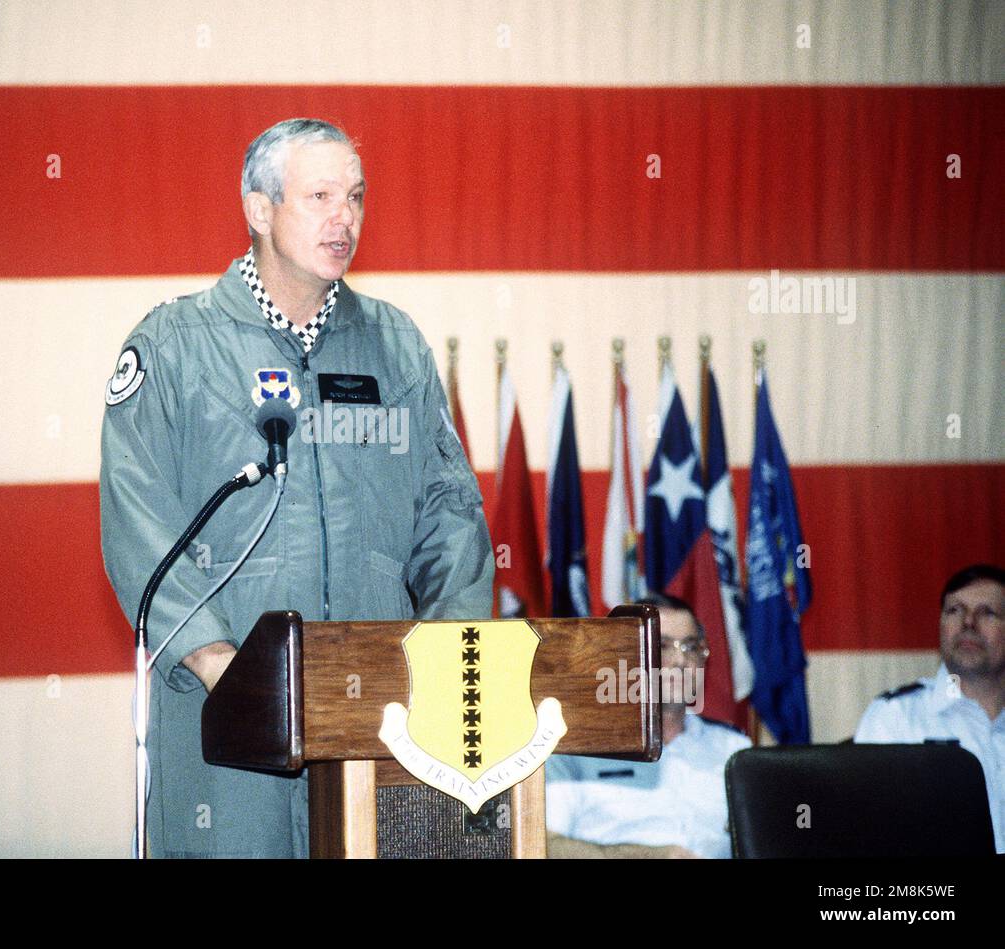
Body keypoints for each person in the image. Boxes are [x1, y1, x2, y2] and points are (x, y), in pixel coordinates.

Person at [100, 118, 494, 857]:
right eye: (319, 196)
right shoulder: (174, 346)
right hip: (231, 726)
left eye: (355, 196)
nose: (343, 217)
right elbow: (137, 522)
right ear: (259, 209)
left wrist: (451, 660)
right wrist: (225, 668)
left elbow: (451, 518)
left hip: (379, 720)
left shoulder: (395, 344)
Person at [545, 593, 750, 858]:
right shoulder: (575, 749)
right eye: (662, 646)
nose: (679, 661)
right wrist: (643, 856)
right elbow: (544, 846)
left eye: (690, 647)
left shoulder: (734, 751)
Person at [854, 563, 1005, 853]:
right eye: (954, 611)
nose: (968, 623)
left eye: (987, 612)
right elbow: (865, 835)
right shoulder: (896, 718)